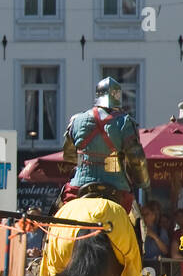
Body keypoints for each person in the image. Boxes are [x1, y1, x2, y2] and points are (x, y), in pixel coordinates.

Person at [59, 77, 150, 213]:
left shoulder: (76, 120)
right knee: (137, 225)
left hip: (80, 185)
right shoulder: (125, 122)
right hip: (117, 186)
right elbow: (137, 159)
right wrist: (143, 182)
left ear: (98, 95)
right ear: (118, 97)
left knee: (56, 214)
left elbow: (68, 156)